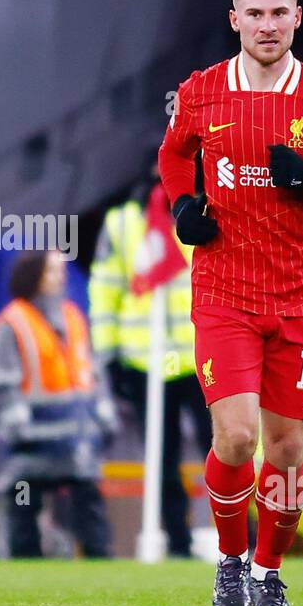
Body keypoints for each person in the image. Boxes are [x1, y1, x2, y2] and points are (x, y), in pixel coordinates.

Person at [158, 0, 303, 606]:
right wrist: (181, 205)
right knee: (238, 438)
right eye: (254, 13)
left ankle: (269, 570)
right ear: (235, 20)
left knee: (287, 451)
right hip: (224, 292)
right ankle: (228, 561)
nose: (267, 25)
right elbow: (172, 155)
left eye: (279, 13)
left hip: (299, 299)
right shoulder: (199, 91)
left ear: (297, 17)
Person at [88, 167, 208, 558]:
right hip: (144, 358)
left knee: (229, 446)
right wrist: (108, 357)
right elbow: (105, 291)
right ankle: (177, 539)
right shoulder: (121, 224)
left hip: (201, 354)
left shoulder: (205, 211)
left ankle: (243, 535)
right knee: (160, 455)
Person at [0, 249, 116, 558]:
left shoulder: (73, 317)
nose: (60, 277)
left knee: (91, 512)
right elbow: (2, 382)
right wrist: (15, 421)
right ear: (34, 276)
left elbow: (91, 370)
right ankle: (24, 578)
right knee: (23, 513)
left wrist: (103, 410)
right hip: (29, 447)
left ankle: (105, 571)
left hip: (75, 443)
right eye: (52, 271)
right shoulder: (12, 322)